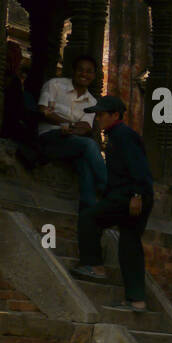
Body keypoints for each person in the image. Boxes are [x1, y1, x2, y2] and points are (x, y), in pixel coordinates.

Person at [70, 96, 152, 312]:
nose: (98, 118)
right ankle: (137, 300)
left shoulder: (124, 136)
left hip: (131, 195)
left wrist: (137, 194)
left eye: (101, 114)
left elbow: (139, 168)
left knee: (90, 217)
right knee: (129, 246)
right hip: (128, 194)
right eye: (96, 115)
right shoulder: (115, 136)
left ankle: (95, 266)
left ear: (115, 115)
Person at [35, 53, 106, 209]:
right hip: (48, 138)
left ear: (94, 76)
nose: (84, 74)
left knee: (84, 161)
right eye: (80, 70)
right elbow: (42, 111)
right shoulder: (54, 85)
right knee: (88, 146)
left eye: (89, 71)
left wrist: (62, 121)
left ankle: (88, 207)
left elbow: (84, 128)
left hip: (70, 142)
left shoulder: (92, 101)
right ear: (73, 71)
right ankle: (109, 186)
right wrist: (70, 123)